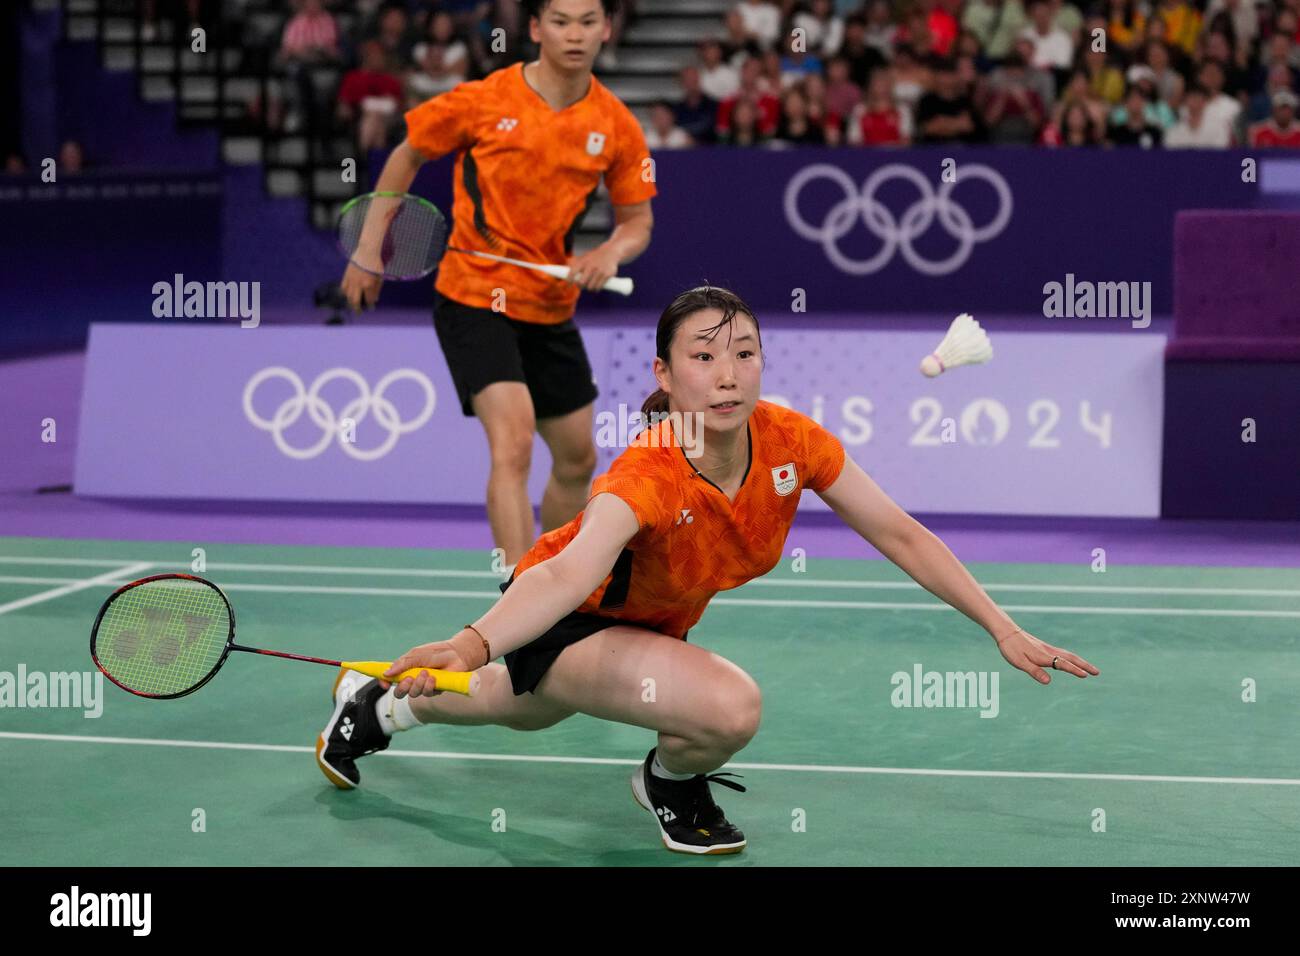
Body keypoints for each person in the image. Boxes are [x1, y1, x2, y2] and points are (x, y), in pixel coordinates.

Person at [316, 286, 1100, 855]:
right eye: (703, 357)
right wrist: (470, 643)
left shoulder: (792, 443)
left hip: (649, 628)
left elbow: (899, 533)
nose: (727, 374)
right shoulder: (647, 474)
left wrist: (1000, 626)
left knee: (517, 711)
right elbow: (561, 577)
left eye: (744, 353)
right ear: (665, 372)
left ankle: (375, 707)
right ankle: (667, 783)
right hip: (568, 615)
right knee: (724, 707)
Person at [340, 0, 656, 570]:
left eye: (588, 21)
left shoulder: (616, 125)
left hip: (550, 303)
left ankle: (555, 578)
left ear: (607, 29)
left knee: (577, 459)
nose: (575, 34)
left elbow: (638, 223)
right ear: (536, 29)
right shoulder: (485, 99)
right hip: (473, 295)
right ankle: (518, 589)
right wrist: (369, 250)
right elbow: (407, 152)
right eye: (560, 21)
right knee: (512, 445)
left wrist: (609, 252)